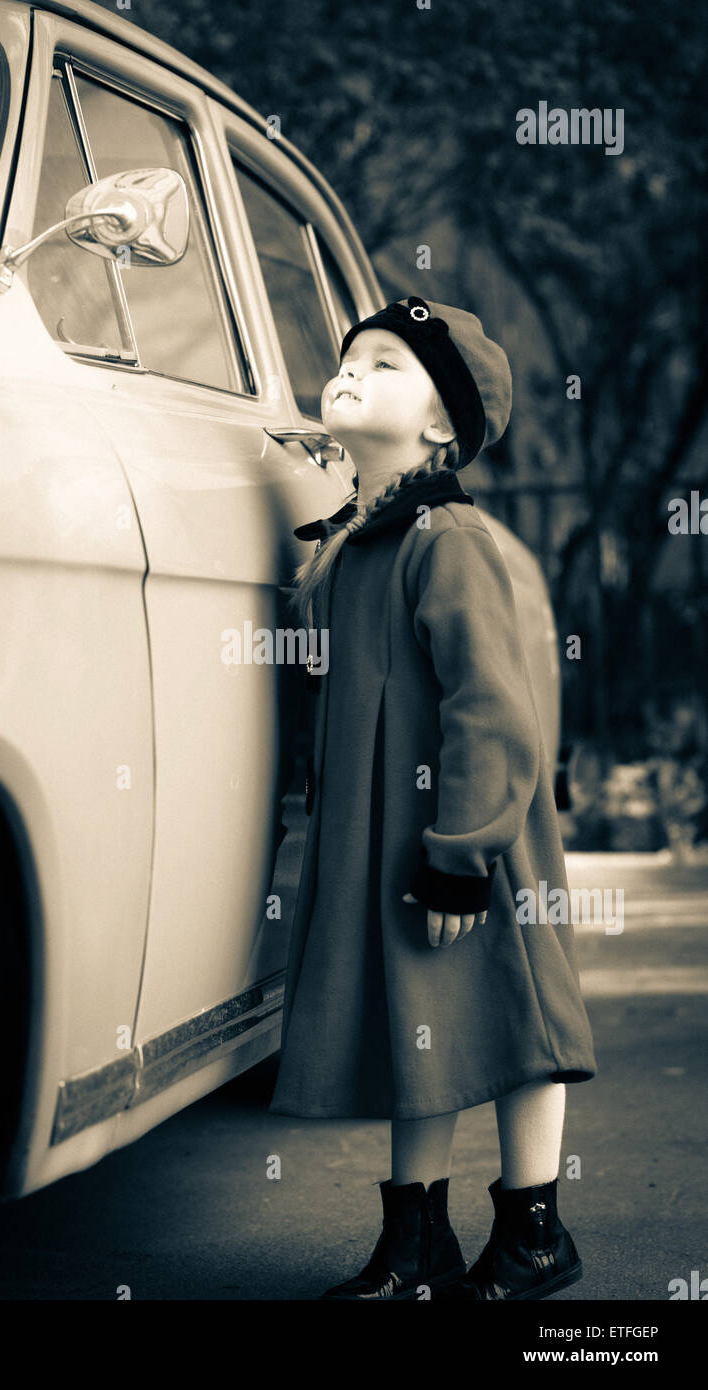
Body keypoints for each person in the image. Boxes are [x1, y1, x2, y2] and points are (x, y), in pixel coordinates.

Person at [269, 294, 598, 1301]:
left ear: (441, 424)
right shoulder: (350, 546)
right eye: (350, 356)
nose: (355, 369)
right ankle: (416, 1245)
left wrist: (461, 852)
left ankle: (536, 1236)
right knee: (425, 1026)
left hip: (467, 836)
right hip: (395, 838)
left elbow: (490, 708)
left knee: (509, 1021)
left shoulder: (444, 536)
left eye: (387, 363)